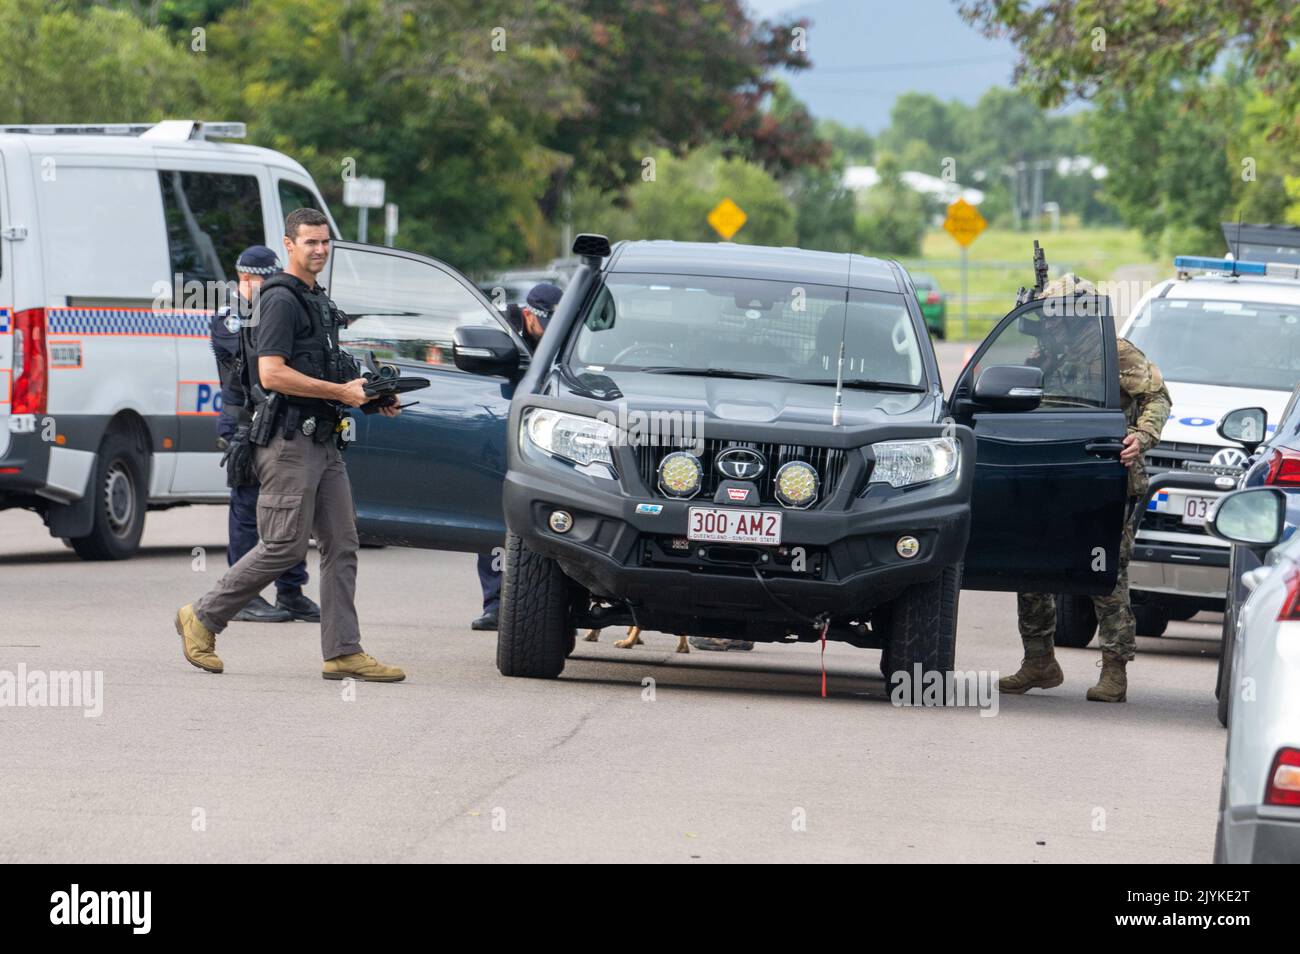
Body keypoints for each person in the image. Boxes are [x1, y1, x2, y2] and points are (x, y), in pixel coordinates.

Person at [175, 208, 405, 681]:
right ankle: (202, 616)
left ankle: (343, 650)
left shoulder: (315, 297)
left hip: (324, 441)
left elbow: (325, 365)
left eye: (325, 242)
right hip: (287, 441)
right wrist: (343, 393)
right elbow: (272, 373)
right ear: (290, 245)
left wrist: (369, 395)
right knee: (283, 545)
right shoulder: (280, 298)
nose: (320, 250)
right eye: (310, 243)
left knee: (342, 544)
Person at [998, 274, 1172, 703]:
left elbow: (1158, 397)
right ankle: (1039, 661)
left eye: (1057, 315)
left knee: (1106, 574)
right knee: (1031, 567)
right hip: (1052, 477)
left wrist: (1140, 436)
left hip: (1104, 477)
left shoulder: (1115, 350)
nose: (1051, 323)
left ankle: (1115, 670)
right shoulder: (1046, 352)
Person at [209, 245, 320, 624]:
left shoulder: (273, 309)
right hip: (243, 422)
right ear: (247, 278)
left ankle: (291, 592)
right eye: (266, 278)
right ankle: (243, 597)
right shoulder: (230, 318)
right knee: (247, 510)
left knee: (289, 506)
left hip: (278, 418)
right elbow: (257, 362)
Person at [471, 282, 562, 631]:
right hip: (501, 425)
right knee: (496, 516)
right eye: (546, 325)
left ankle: (544, 606)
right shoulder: (503, 329)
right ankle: (495, 603)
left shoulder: (563, 333)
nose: (551, 333)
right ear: (528, 314)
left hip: (546, 429)